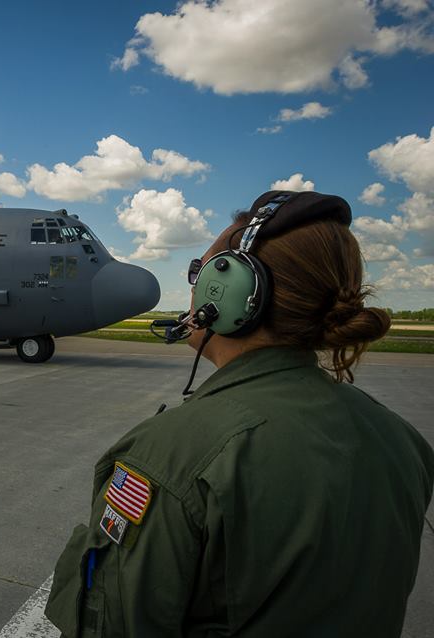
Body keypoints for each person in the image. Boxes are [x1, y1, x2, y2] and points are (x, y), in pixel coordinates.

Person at [44, 190, 434, 637]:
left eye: (201, 271)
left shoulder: (173, 456)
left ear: (228, 292)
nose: (193, 289)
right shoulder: (400, 438)